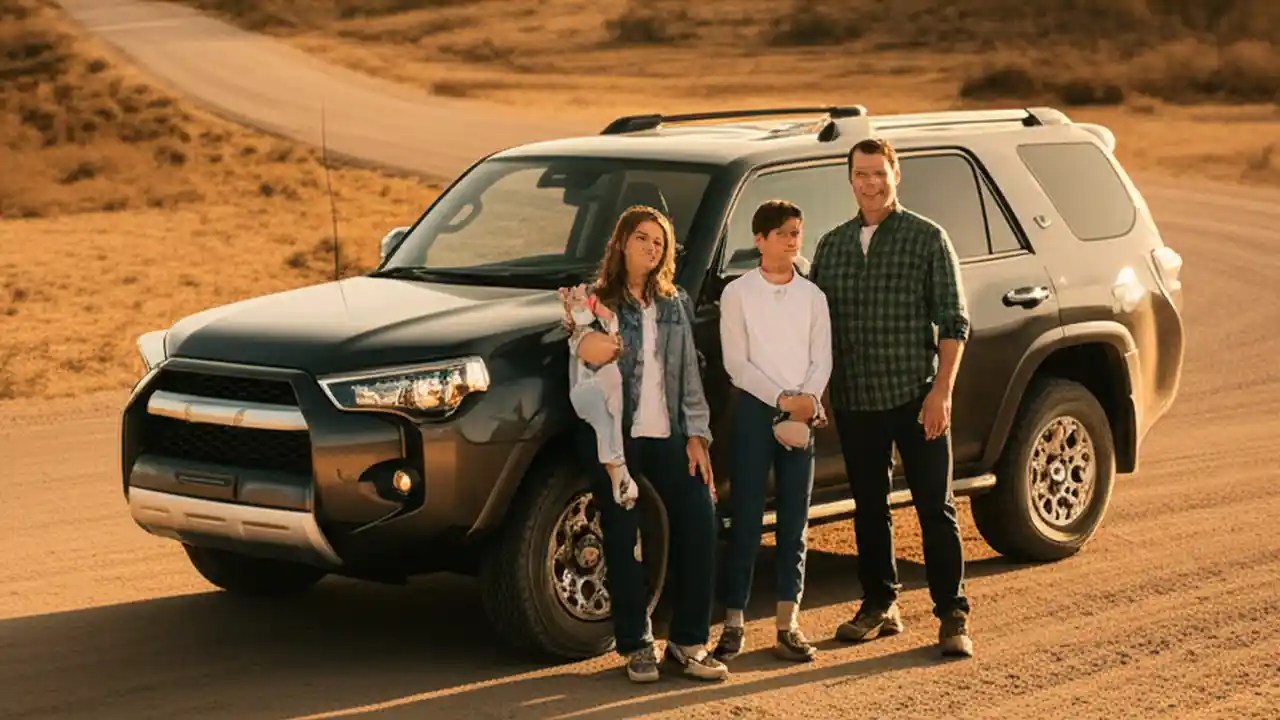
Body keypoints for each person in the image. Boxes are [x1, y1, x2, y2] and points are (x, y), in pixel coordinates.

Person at [808, 137, 975, 658]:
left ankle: (952, 616)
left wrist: (941, 392)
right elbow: (815, 328)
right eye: (861, 174)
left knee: (935, 507)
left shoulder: (927, 238)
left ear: (895, 175)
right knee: (869, 508)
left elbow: (954, 321)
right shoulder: (832, 247)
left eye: (879, 173)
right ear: (849, 178)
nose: (870, 183)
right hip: (857, 401)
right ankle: (880, 604)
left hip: (915, 396)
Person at [560, 205, 728, 684]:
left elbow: (690, 377)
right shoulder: (597, 302)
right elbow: (585, 360)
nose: (652, 248)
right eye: (642, 238)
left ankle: (689, 642)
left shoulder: (675, 304)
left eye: (660, 241)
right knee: (625, 537)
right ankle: (637, 645)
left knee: (700, 519)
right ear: (622, 244)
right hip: (618, 440)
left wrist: (697, 435)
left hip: (669, 435)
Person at [713, 200, 832, 663]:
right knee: (745, 520)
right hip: (753, 414)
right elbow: (735, 363)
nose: (792, 239)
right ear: (759, 239)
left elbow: (822, 356)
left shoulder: (813, 297)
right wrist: (782, 400)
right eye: (782, 232)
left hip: (802, 414)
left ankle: (788, 624)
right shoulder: (738, 293)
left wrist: (807, 403)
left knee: (794, 522)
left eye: (797, 232)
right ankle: (733, 623)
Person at [561, 284, 638, 510]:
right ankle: (617, 468)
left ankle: (619, 473)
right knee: (605, 417)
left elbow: (612, 332)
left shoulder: (602, 324)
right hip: (586, 391)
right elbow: (593, 349)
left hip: (604, 390)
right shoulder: (578, 334)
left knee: (610, 395)